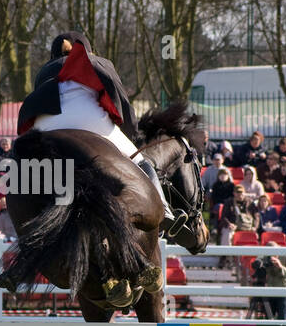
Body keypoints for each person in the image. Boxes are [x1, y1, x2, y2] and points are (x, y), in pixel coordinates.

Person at [16, 30, 171, 215]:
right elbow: (121, 102)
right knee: (141, 161)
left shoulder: (45, 70)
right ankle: (164, 208)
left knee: (25, 169)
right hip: (90, 119)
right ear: (88, 49)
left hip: (47, 123)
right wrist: (130, 136)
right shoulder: (100, 63)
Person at [254, 252, 286, 320]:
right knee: (268, 321)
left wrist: (281, 267)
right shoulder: (264, 255)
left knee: (282, 320)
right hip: (269, 291)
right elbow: (257, 263)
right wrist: (260, 264)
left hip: (283, 292)